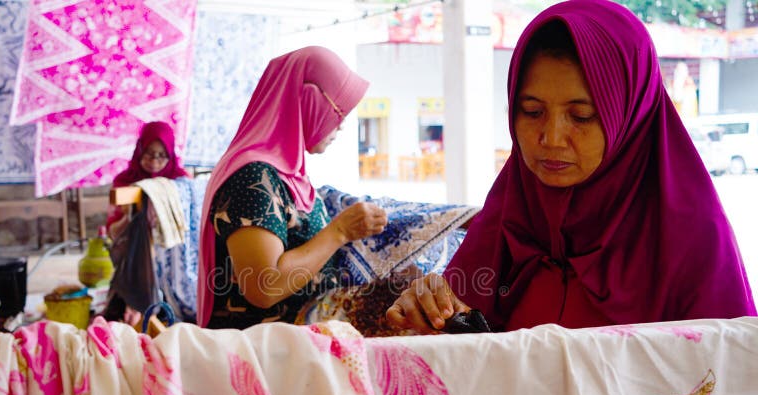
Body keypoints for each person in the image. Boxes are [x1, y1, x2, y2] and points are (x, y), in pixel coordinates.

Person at [387, 0, 756, 334]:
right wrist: (428, 315)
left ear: (629, 119)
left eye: (581, 116)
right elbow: (462, 351)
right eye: (531, 112)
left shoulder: (691, 241)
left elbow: (726, 385)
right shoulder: (508, 218)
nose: (551, 138)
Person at [197, 46, 387, 329]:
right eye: (338, 110)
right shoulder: (252, 178)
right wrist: (340, 231)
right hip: (261, 361)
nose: (342, 125)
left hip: (291, 355)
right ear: (307, 100)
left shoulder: (287, 176)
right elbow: (264, 287)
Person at [106, 121, 190, 237]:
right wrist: (129, 216)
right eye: (149, 153)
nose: (154, 161)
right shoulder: (123, 182)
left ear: (170, 154)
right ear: (139, 150)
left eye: (162, 155)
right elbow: (112, 232)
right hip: (136, 248)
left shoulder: (181, 181)